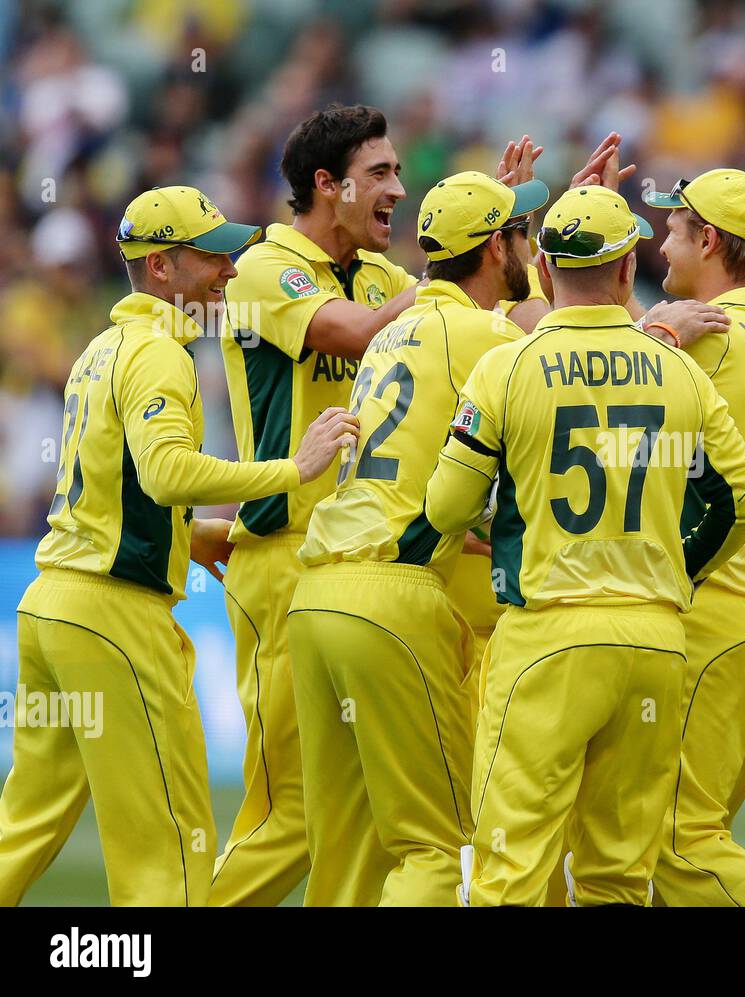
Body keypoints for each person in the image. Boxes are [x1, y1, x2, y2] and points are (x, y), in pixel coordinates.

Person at [0, 187, 356, 906]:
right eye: (211, 254)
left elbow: (108, 482)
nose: (229, 268)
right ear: (161, 266)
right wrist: (295, 468)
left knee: (23, 828)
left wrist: (185, 538)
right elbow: (164, 473)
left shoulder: (102, 349)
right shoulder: (161, 354)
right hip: (115, 621)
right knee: (172, 844)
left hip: (52, 607)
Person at [424, 185, 745, 906]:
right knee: (617, 876)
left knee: (508, 870)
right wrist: (680, 568)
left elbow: (446, 506)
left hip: (545, 637)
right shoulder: (679, 370)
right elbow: (744, 504)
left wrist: (503, 524)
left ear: (543, 271)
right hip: (654, 639)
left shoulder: (506, 366)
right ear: (626, 270)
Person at [287, 170, 550, 906]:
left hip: (318, 596)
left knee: (346, 854)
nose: (528, 248)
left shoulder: (389, 333)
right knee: (436, 846)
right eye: (521, 234)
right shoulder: (485, 334)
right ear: (499, 246)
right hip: (393, 598)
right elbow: (557, 341)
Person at [213, 104, 421, 906]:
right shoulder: (268, 264)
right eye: (380, 174)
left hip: (355, 568)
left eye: (399, 173)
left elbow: (471, 311)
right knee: (291, 810)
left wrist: (504, 240)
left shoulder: (379, 272)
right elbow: (360, 334)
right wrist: (449, 272)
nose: (398, 190)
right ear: (326, 186)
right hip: (281, 561)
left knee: (363, 802)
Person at [639, 169, 745, 906]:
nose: (660, 243)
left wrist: (655, 332)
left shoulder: (707, 332)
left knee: (678, 839)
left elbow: (601, 396)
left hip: (718, 606)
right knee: (691, 842)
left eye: (674, 229)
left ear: (708, 238)